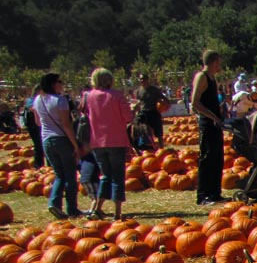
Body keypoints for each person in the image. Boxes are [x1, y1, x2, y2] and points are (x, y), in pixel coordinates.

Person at [83, 68, 133, 221]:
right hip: (116, 140)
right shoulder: (116, 96)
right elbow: (128, 117)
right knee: (117, 176)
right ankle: (117, 213)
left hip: (97, 141)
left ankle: (97, 208)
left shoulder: (89, 96)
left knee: (105, 175)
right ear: (110, 80)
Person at [33, 73, 82, 219]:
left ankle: (54, 203)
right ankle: (72, 208)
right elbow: (66, 125)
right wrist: (75, 144)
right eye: (60, 82)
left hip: (46, 140)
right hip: (61, 139)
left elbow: (38, 122)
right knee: (70, 175)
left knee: (59, 174)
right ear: (53, 84)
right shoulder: (60, 100)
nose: (62, 84)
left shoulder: (38, 100)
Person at [191, 50, 225, 206]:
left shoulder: (212, 77)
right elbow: (195, 102)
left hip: (216, 123)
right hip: (207, 123)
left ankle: (215, 193)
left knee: (217, 157)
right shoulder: (202, 77)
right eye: (219, 62)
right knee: (207, 158)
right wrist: (212, 116)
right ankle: (203, 195)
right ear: (214, 61)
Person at [134, 73, 166, 150]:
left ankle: (161, 148)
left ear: (147, 80)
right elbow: (138, 102)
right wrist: (135, 109)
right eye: (141, 79)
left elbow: (163, 99)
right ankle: (145, 146)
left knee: (158, 131)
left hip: (153, 111)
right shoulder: (138, 91)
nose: (142, 81)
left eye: (144, 79)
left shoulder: (154, 90)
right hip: (143, 112)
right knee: (142, 129)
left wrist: (163, 103)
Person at [22, 90, 45, 168]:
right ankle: (38, 165)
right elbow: (32, 109)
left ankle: (42, 165)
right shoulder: (31, 100)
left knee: (41, 145)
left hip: (37, 125)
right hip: (33, 126)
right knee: (38, 145)